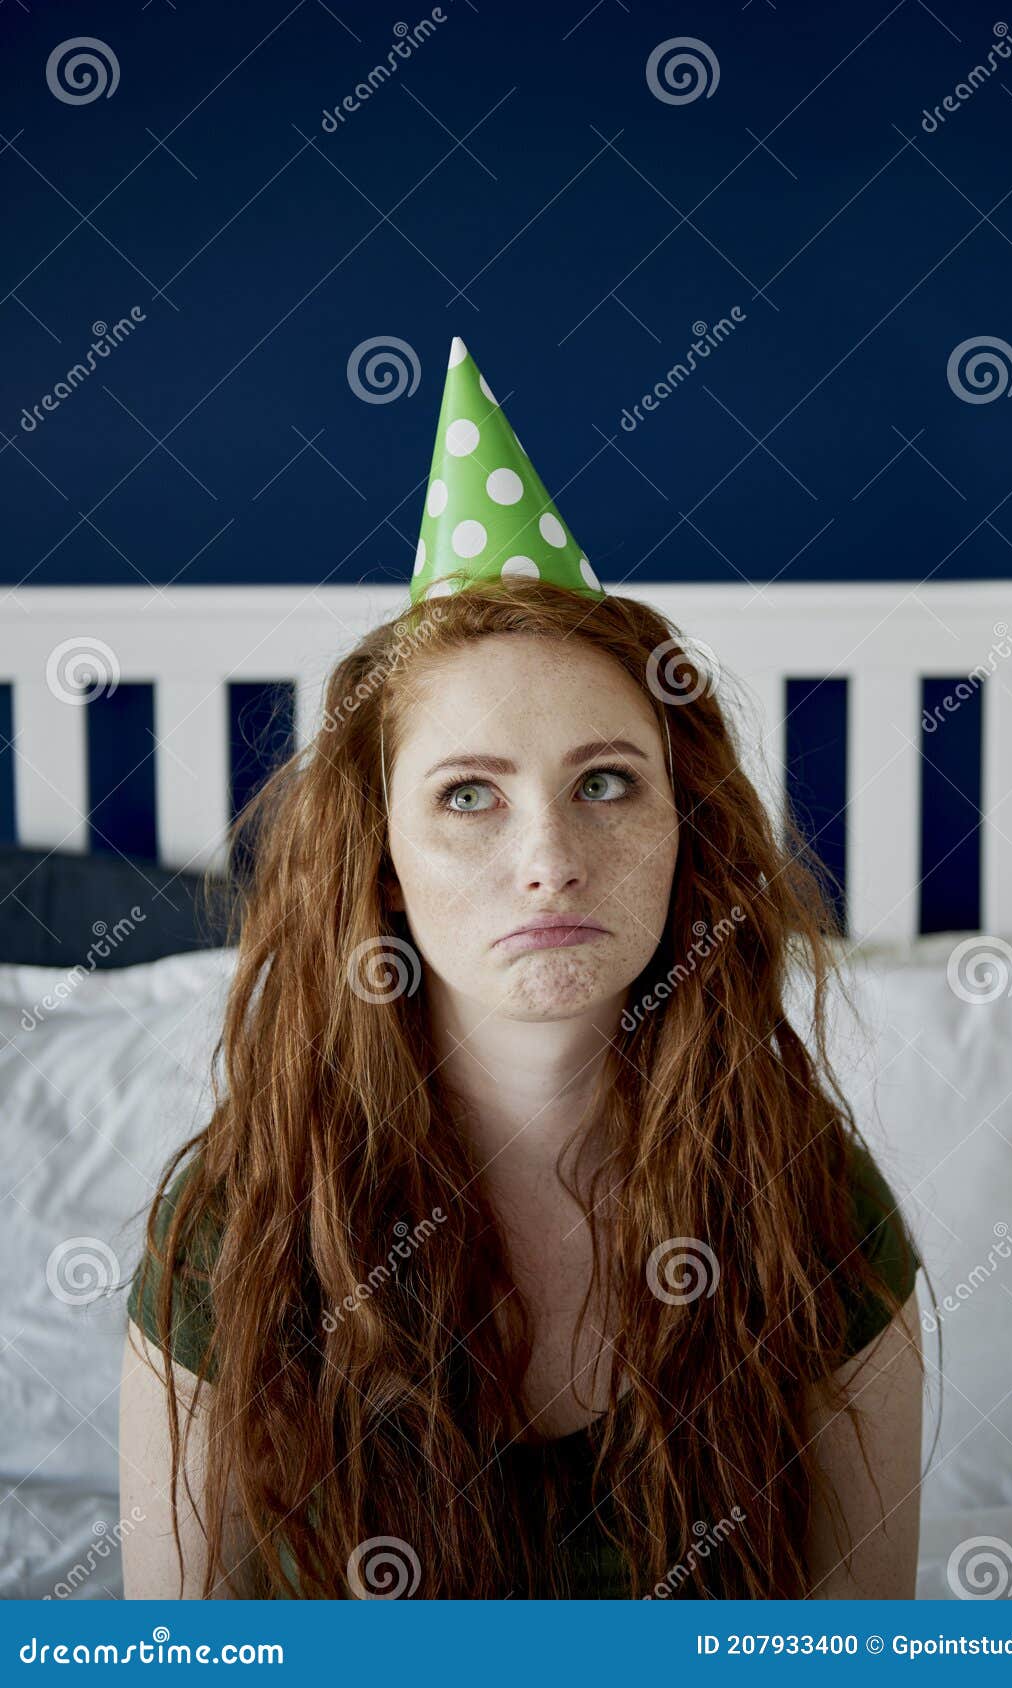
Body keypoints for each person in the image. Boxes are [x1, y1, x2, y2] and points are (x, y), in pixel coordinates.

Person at [120, 341, 927, 1601]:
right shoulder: (239, 1228)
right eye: (468, 796)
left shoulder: (812, 1205)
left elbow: (860, 1658)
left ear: (686, 831)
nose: (548, 859)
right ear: (379, 861)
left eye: (605, 782)